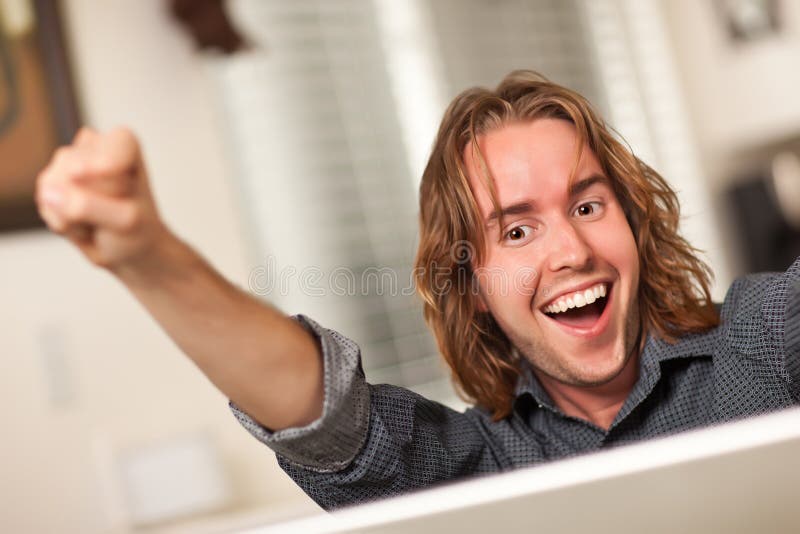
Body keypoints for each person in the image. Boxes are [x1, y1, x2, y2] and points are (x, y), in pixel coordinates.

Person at [36, 71, 799, 510]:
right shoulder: (474, 466)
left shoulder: (770, 336)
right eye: (517, 230)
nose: (570, 250)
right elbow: (325, 417)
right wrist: (150, 257)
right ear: (469, 284)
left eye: (588, 206)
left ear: (633, 226)